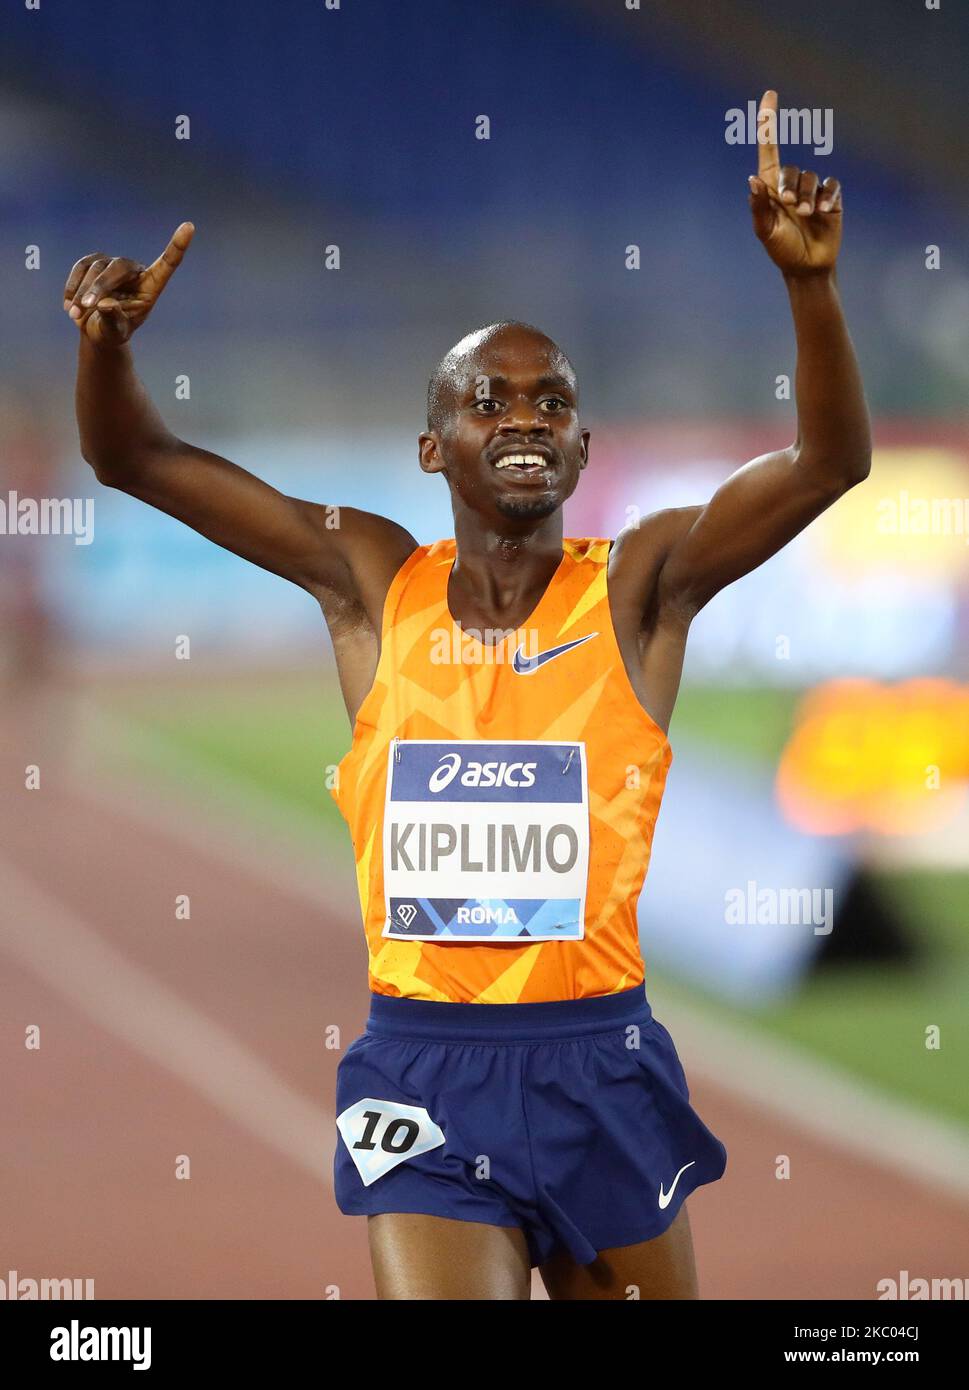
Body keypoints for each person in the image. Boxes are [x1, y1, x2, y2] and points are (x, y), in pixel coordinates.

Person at [65, 91, 870, 1300]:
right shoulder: (371, 579)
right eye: (487, 402)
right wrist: (105, 351)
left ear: (586, 450)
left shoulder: (641, 584)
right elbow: (137, 459)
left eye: (552, 401)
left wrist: (810, 288)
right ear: (433, 447)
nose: (525, 418)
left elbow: (828, 464)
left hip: (600, 1062)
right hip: (425, 1072)